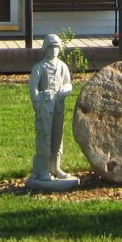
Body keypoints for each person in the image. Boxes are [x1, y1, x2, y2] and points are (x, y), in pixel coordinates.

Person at [28, 33, 75, 181]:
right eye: (50, 47)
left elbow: (68, 83)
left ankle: (56, 167)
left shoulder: (62, 66)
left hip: (58, 106)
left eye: (56, 47)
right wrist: (36, 103)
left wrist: (66, 90)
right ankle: (43, 170)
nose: (53, 50)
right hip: (45, 107)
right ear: (45, 49)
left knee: (57, 136)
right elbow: (33, 86)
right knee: (44, 136)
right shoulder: (39, 67)